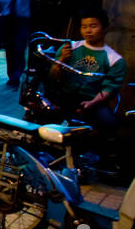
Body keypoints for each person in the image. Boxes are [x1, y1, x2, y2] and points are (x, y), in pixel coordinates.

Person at [54, 9, 128, 137]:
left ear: (105, 28)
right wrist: (60, 61)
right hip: (64, 96)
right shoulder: (70, 48)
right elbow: (53, 76)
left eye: (93, 26)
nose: (88, 31)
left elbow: (109, 88)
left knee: (109, 124)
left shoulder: (115, 60)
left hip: (93, 101)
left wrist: (92, 103)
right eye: (84, 27)